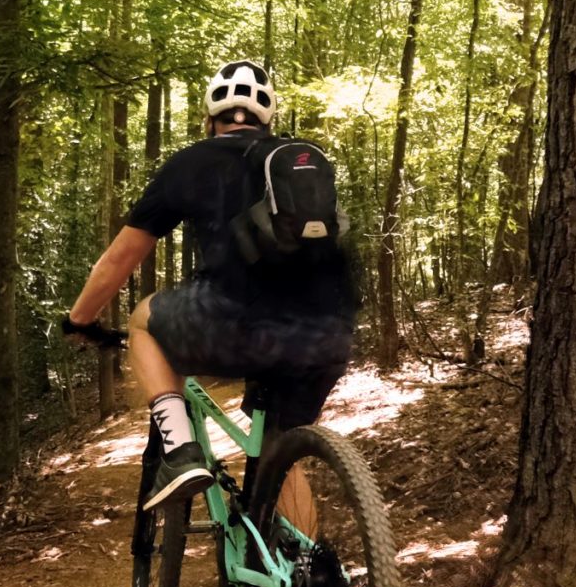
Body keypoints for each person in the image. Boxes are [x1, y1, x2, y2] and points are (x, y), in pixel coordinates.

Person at [63, 60, 358, 513]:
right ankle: (302, 577)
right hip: (325, 337)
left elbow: (121, 257)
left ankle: (180, 452)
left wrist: (80, 320)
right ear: (268, 120)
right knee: (282, 454)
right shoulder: (299, 162)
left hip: (233, 325)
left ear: (209, 119)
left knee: (143, 320)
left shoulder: (190, 163)